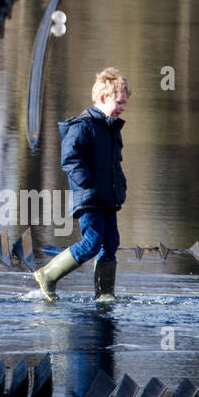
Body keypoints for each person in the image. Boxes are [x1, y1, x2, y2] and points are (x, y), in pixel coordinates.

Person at [32, 68, 130, 302]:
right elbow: (70, 159)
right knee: (92, 242)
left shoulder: (112, 130)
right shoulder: (83, 126)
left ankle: (104, 293)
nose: (123, 107)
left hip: (109, 197)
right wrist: (87, 184)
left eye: (125, 103)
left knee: (111, 243)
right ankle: (47, 275)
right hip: (89, 197)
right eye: (120, 102)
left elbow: (115, 165)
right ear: (104, 98)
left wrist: (121, 186)